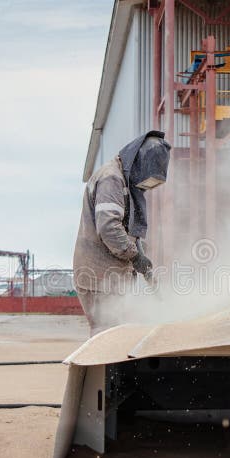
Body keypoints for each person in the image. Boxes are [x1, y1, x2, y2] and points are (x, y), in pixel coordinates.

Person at [73, 130, 172, 336]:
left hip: (111, 276)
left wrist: (140, 253)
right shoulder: (112, 179)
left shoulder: (124, 180)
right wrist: (135, 255)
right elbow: (109, 228)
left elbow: (125, 228)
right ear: (137, 163)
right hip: (99, 276)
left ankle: (111, 367)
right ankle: (102, 368)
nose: (143, 187)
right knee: (107, 334)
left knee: (119, 332)